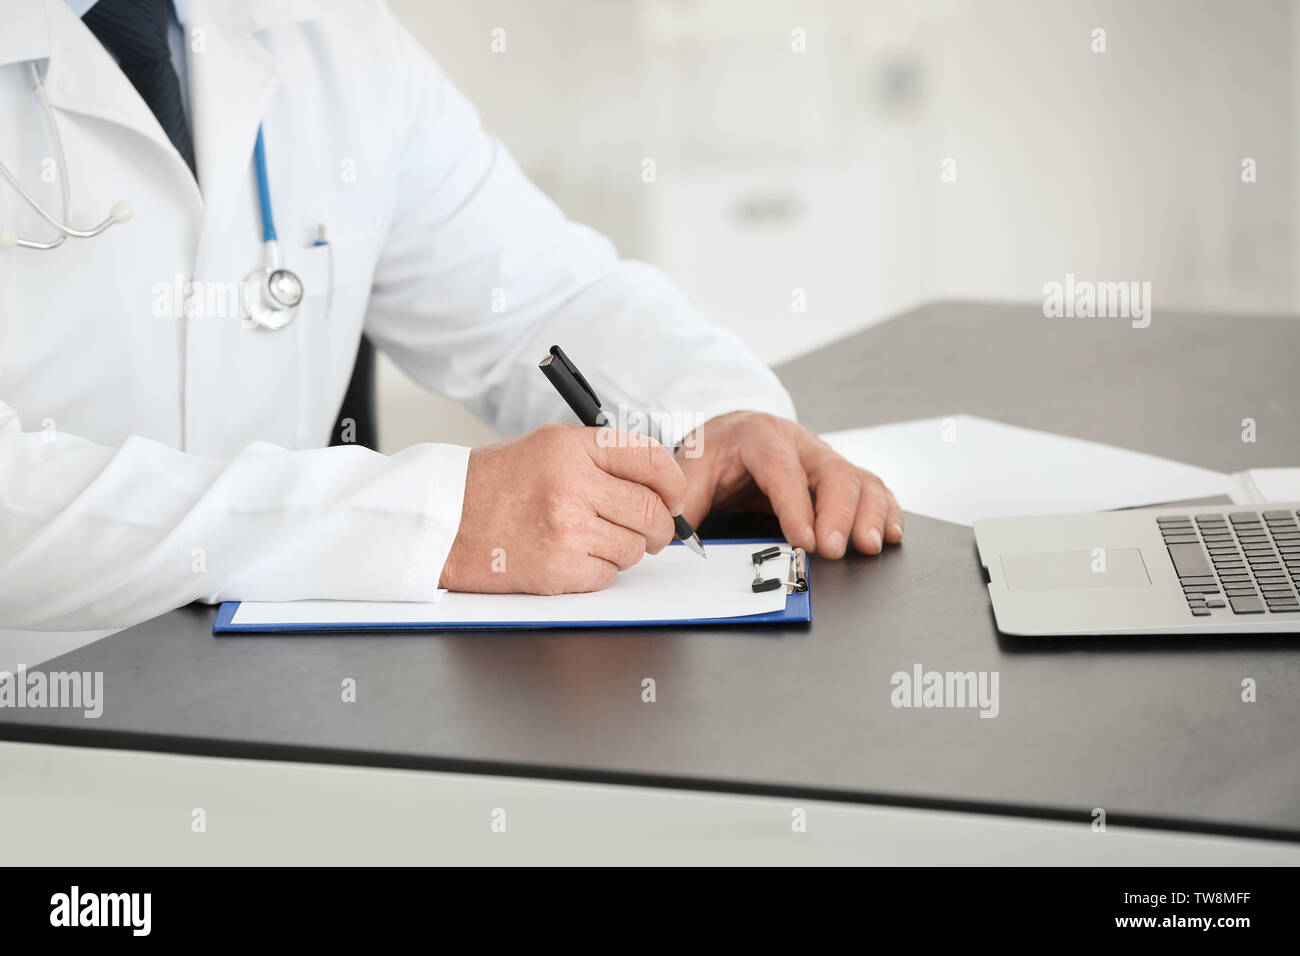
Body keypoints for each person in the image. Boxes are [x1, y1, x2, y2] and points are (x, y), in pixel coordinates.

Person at [0, 0, 901, 630]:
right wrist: (434, 516)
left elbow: (536, 297)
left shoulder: (328, 30)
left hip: (261, 706)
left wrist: (707, 418)